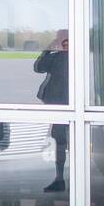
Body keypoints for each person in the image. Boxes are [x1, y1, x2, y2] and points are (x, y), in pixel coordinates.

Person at [35, 28, 69, 192]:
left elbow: (38, 66)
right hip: (62, 105)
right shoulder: (64, 57)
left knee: (61, 141)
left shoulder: (59, 58)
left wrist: (48, 49)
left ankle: (61, 178)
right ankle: (61, 177)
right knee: (61, 141)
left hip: (62, 105)